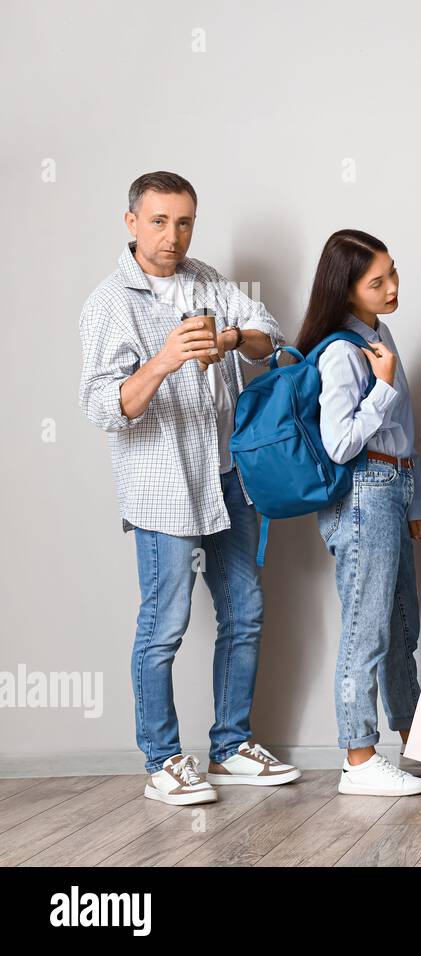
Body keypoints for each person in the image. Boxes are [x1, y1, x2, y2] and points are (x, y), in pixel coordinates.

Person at [77, 170, 299, 805]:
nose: (172, 235)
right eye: (158, 221)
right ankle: (163, 759)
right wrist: (166, 358)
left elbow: (270, 336)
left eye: (183, 222)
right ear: (130, 223)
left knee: (246, 612)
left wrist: (228, 339)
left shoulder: (206, 281)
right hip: (162, 489)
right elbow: (101, 407)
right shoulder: (108, 303)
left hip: (226, 478)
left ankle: (230, 747)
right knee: (165, 623)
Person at [298, 229, 421, 797]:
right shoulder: (339, 352)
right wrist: (378, 388)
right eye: (378, 282)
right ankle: (358, 756)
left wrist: (417, 497)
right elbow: (339, 444)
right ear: (347, 289)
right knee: (366, 626)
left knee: (404, 623)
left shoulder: (381, 335)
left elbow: (407, 432)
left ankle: (413, 736)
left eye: (393, 273)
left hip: (393, 488)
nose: (393, 286)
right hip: (362, 492)